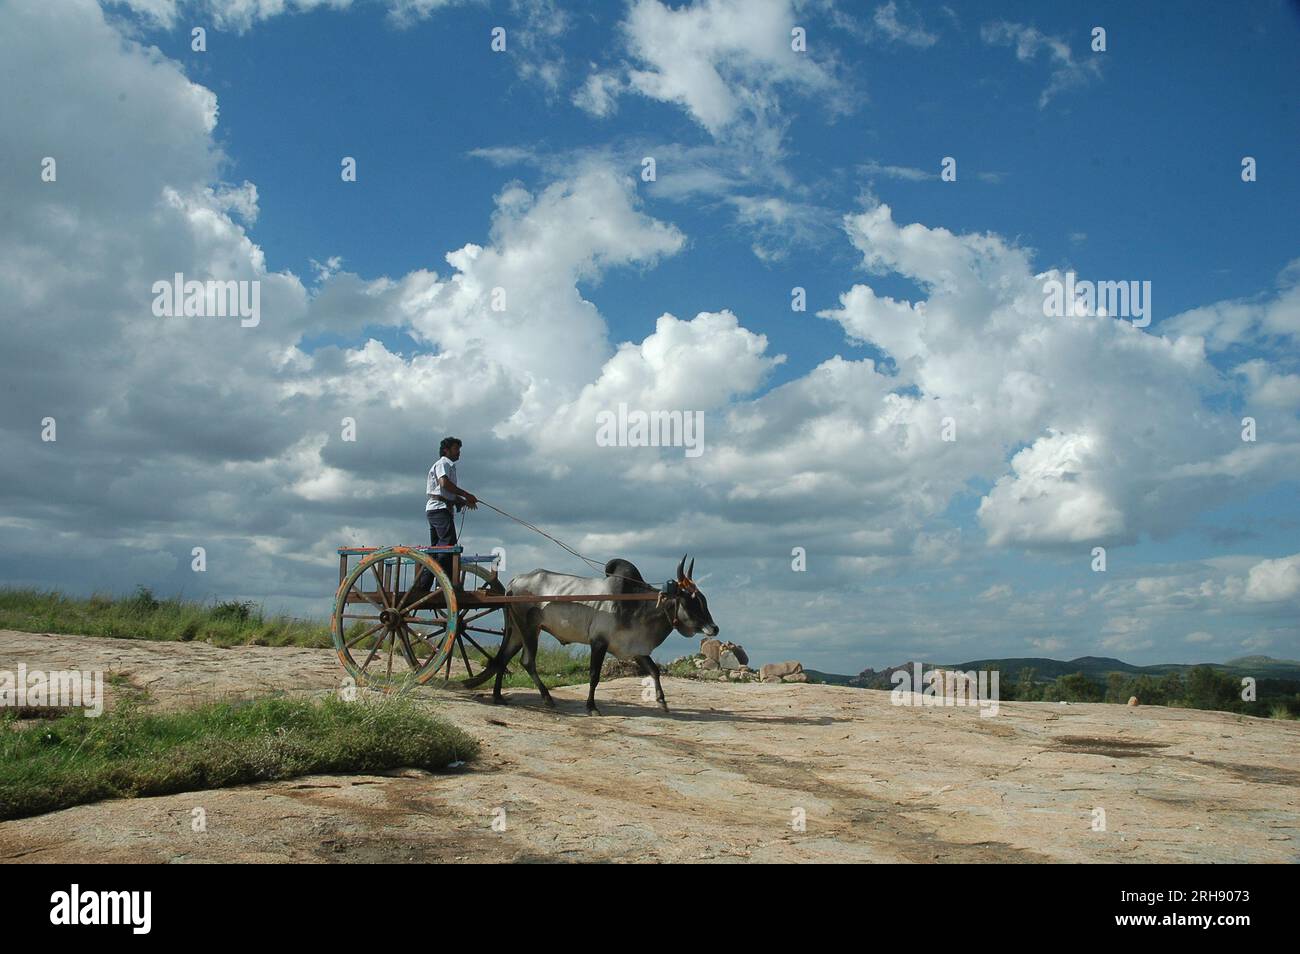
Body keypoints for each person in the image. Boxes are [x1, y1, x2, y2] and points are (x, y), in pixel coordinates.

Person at [412, 437, 477, 596]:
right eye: (456, 449)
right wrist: (465, 494)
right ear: (446, 450)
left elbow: (446, 492)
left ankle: (423, 586)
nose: (459, 452)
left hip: (439, 509)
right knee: (448, 546)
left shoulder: (449, 466)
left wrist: (460, 501)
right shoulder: (443, 463)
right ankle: (445, 583)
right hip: (438, 509)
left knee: (437, 549)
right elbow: (444, 484)